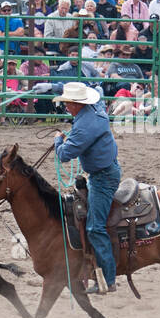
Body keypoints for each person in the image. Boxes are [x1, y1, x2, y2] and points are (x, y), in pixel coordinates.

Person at [52, 81, 121, 295]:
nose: (65, 107)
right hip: (104, 169)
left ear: (76, 104)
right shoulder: (94, 109)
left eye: (67, 103)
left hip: (102, 177)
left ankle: (108, 280)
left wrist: (58, 141)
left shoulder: (84, 127)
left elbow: (64, 155)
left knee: (94, 227)